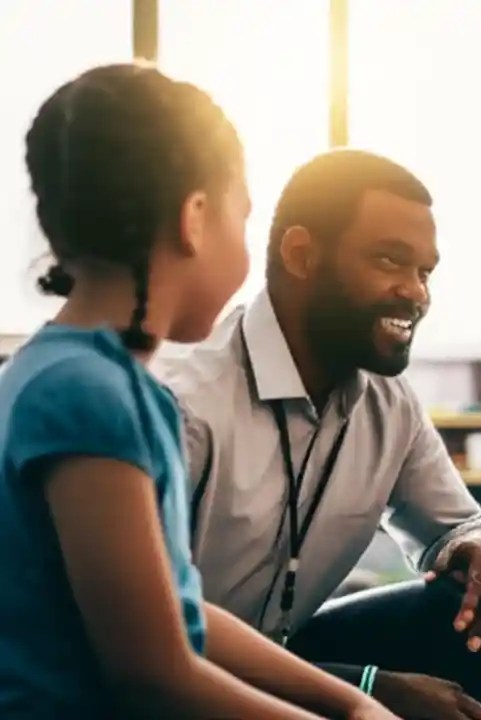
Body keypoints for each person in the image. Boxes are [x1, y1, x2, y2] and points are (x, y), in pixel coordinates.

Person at [0, 62, 395, 719]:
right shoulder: (91, 397)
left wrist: (351, 702)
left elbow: (178, 613)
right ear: (195, 217)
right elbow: (156, 673)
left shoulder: (57, 374)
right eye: (242, 218)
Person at [160, 149, 481, 720]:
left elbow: (456, 525)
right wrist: (369, 686)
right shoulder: (186, 400)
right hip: (178, 663)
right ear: (301, 254)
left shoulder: (384, 397)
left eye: (424, 272)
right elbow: (143, 629)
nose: (416, 292)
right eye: (389, 261)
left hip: (287, 650)